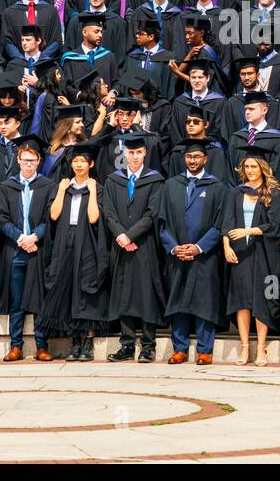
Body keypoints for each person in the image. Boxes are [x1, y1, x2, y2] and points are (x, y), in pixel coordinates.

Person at [159, 139, 232, 365]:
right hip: (178, 254)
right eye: (189, 157)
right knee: (178, 301)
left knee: (204, 303)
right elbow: (161, 223)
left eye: (197, 157)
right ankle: (179, 348)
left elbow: (220, 224)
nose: (193, 160)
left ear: (205, 159)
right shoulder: (171, 185)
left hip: (205, 256)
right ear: (184, 159)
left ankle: (204, 349)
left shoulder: (217, 187)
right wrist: (174, 247)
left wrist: (199, 247)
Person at [0, 135, 58, 361]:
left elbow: (52, 219)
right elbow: (1, 218)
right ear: (18, 160)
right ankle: (16, 345)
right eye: (25, 159)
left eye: (33, 160)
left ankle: (41, 345)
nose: (28, 164)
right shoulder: (6, 187)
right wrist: (21, 238)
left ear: (39, 161)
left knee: (40, 300)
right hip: (16, 250)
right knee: (16, 301)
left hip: (38, 251)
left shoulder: (48, 187)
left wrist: (35, 237)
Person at [39, 143, 109, 360]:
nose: (78, 164)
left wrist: (93, 190)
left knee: (85, 287)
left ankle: (87, 341)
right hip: (64, 240)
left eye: (82, 161)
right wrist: (60, 190)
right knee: (68, 287)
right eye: (75, 161)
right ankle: (75, 343)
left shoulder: (98, 188)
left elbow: (94, 218)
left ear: (91, 164)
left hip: (86, 242)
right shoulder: (63, 187)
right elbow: (53, 215)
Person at [102, 132, 167, 362]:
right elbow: (108, 212)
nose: (136, 156)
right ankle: (127, 345)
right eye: (131, 152)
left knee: (145, 293)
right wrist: (119, 235)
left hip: (145, 244)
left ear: (145, 152)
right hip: (120, 245)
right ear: (125, 153)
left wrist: (129, 236)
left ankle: (148, 346)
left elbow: (152, 214)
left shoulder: (155, 180)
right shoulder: (113, 180)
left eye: (139, 152)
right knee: (123, 293)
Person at [224, 145, 280, 366]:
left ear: (263, 168)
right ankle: (244, 348)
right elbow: (227, 222)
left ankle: (261, 348)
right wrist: (226, 246)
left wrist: (248, 231)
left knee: (263, 299)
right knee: (242, 301)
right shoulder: (236, 191)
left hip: (265, 254)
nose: (250, 170)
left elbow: (273, 226)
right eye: (247, 166)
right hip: (240, 252)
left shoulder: (274, 193)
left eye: (254, 166)